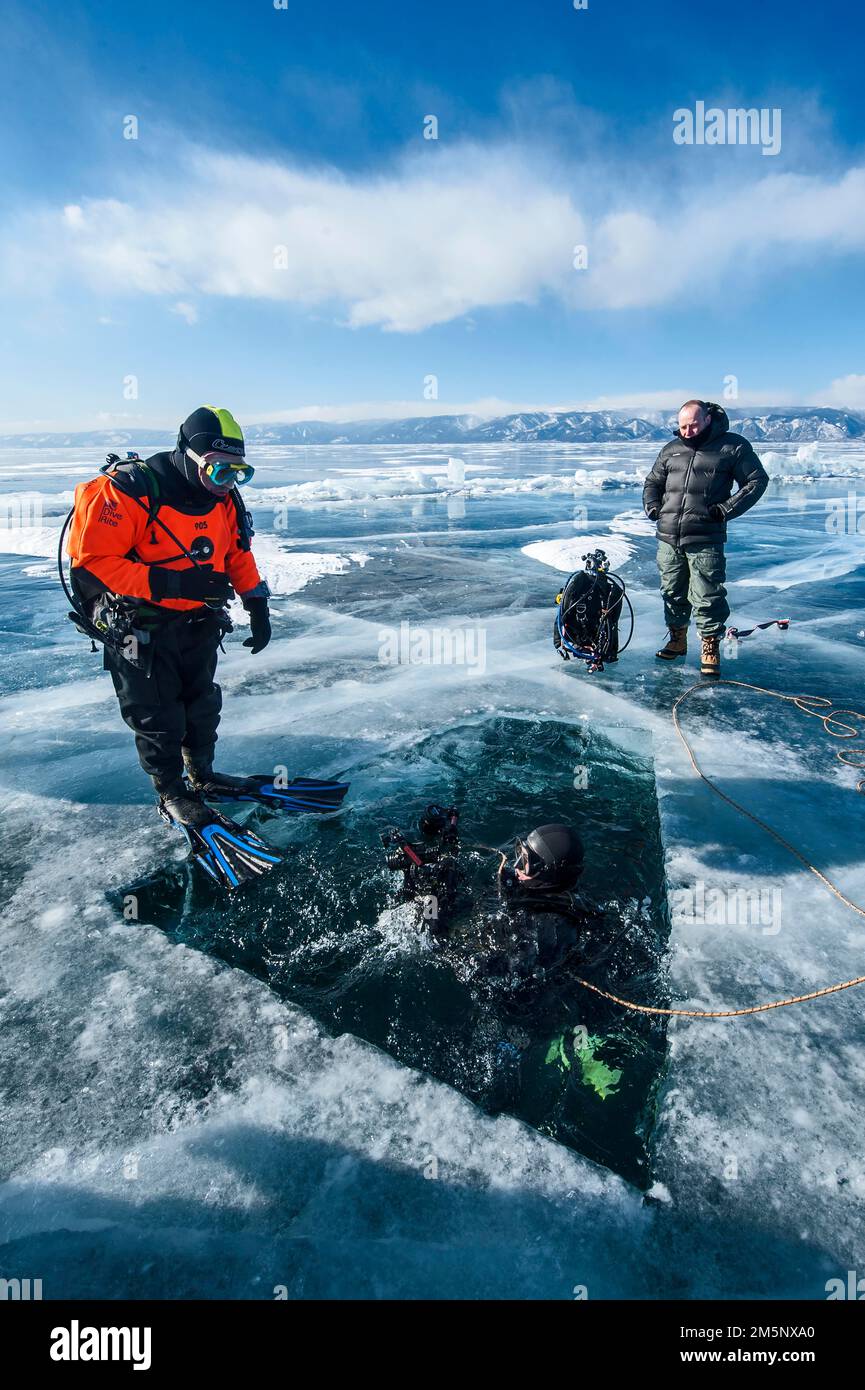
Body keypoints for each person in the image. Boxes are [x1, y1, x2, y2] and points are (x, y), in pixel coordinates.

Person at [66, 405, 347, 889]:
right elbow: (93, 562)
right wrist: (173, 582)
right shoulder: (130, 491)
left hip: (196, 621)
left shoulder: (224, 499)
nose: (227, 482)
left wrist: (256, 603)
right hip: (138, 627)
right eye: (219, 470)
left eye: (239, 472)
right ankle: (172, 792)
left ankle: (204, 775)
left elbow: (236, 552)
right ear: (189, 456)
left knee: (200, 705)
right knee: (158, 715)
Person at [382, 809, 603, 987]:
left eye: (526, 862)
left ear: (547, 873)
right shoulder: (551, 889)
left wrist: (431, 903)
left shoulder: (545, 927)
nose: (516, 865)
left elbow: (477, 970)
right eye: (520, 853)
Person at [642, 400, 768, 676]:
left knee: (707, 594)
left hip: (705, 536)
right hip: (668, 536)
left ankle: (710, 646)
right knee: (672, 591)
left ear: (708, 419)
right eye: (682, 427)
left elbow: (757, 480)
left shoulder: (732, 446)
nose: (687, 432)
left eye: (693, 425)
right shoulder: (671, 449)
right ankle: (677, 639)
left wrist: (726, 509)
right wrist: (652, 506)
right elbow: (653, 482)